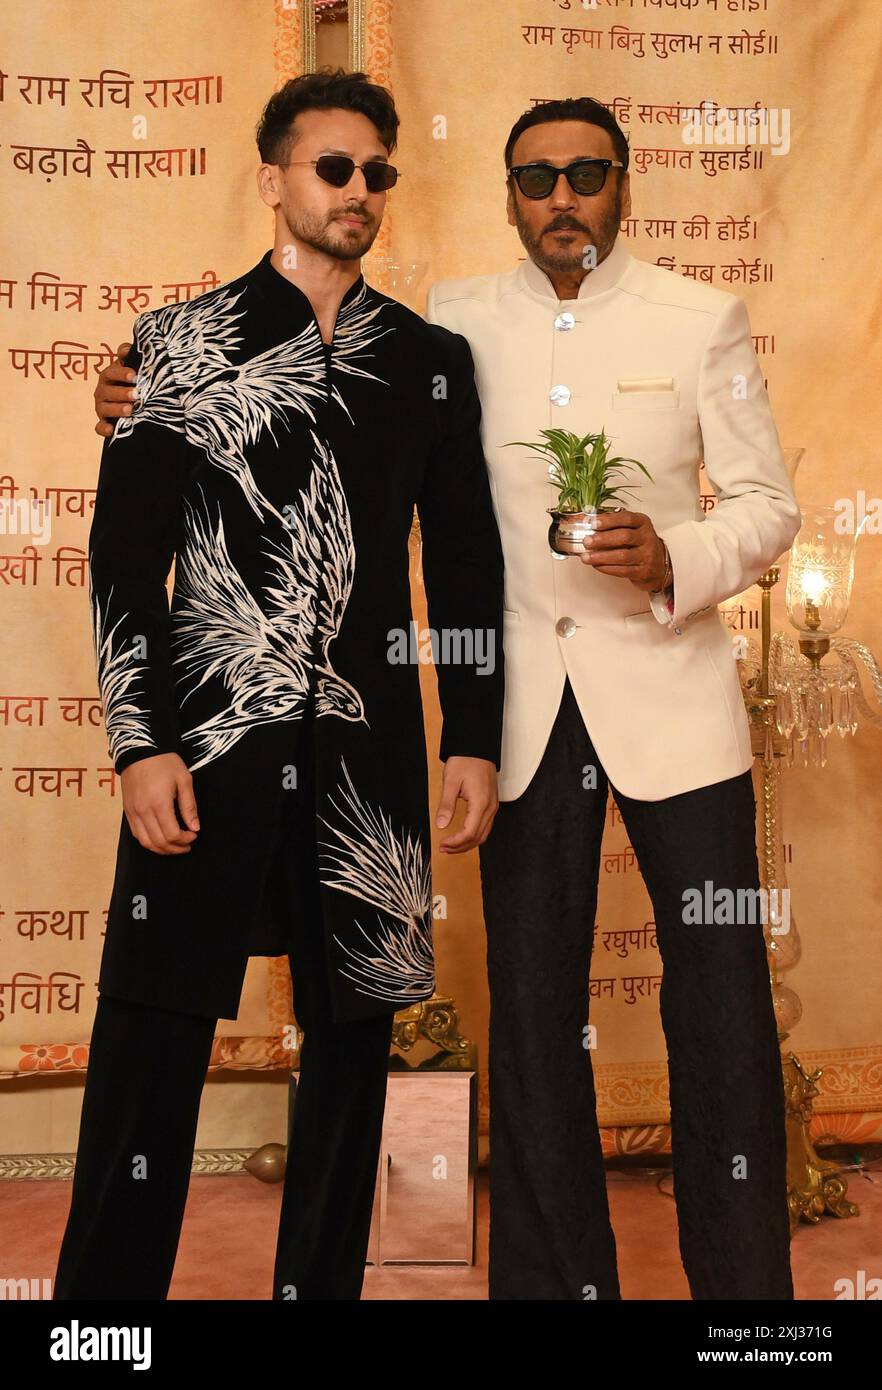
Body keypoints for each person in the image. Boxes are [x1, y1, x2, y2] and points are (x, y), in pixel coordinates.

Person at [58, 68, 503, 1302]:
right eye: (334, 167)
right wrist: (137, 742)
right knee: (152, 1037)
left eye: (378, 173)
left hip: (363, 766)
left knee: (355, 1051)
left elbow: (464, 559)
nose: (359, 191)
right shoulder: (177, 346)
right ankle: (102, 1323)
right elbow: (123, 563)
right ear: (273, 180)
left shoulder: (428, 360)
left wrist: (472, 734)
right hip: (202, 749)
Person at [424, 97, 801, 1300]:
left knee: (726, 1010)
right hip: (522, 716)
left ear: (623, 183)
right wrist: (146, 397)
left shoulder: (701, 316)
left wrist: (676, 556)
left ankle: (747, 1308)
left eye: (586, 174)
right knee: (533, 1017)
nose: (562, 199)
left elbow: (769, 504)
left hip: (679, 707)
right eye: (536, 180)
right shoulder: (455, 322)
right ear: (510, 195)